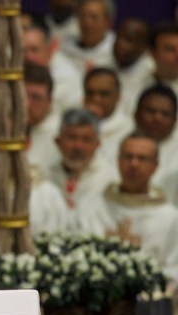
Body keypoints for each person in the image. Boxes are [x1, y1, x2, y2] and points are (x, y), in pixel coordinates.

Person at [77, 134, 178, 283]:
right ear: (117, 161)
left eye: (142, 158)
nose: (134, 164)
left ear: (155, 165)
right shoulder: (92, 208)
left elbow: (174, 269)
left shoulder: (170, 218)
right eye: (127, 157)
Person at [45, 108, 117, 214]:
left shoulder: (110, 179)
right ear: (57, 141)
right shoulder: (45, 175)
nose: (78, 146)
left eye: (86, 140)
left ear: (98, 144)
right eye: (72, 138)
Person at [82, 67, 134, 164]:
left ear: (118, 96)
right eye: (90, 93)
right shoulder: (70, 126)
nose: (96, 99)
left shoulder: (129, 129)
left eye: (104, 94)